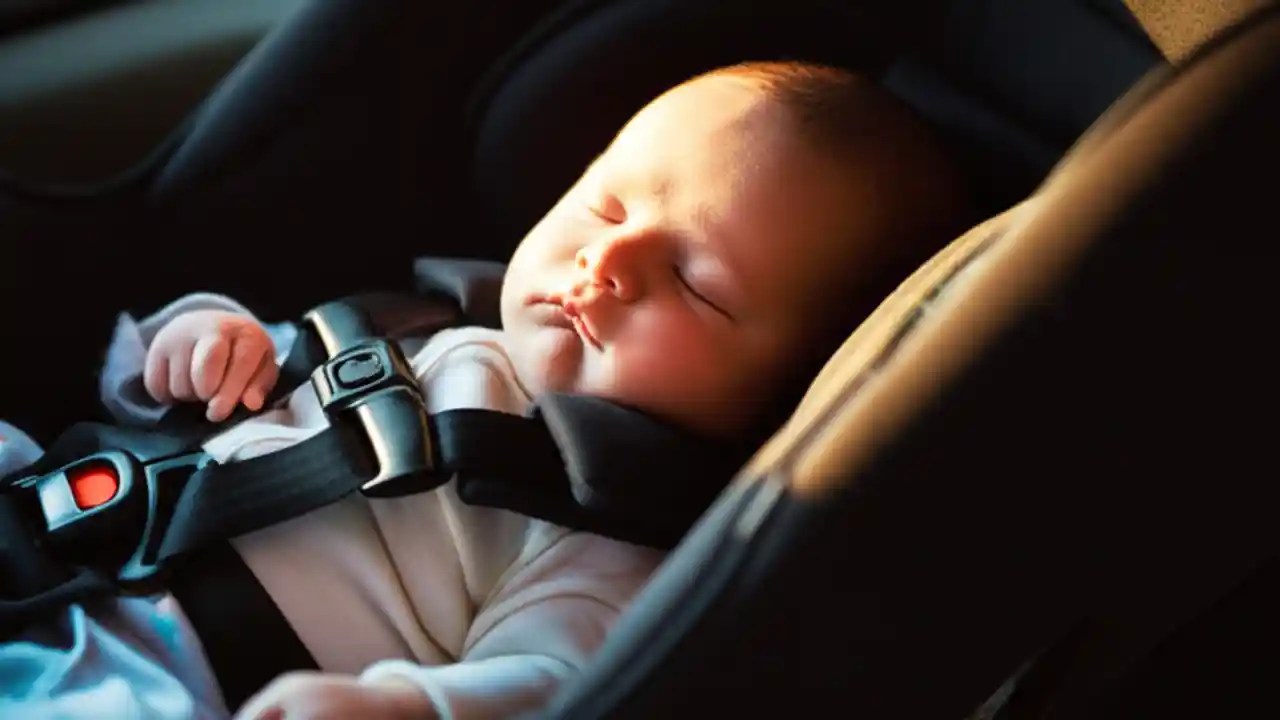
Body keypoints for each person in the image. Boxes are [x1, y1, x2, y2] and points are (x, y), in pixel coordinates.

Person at [0, 60, 967, 720]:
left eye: (698, 284)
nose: (610, 260)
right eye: (608, 204)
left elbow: (550, 680)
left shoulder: (598, 534)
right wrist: (200, 340)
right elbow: (158, 399)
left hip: (160, 679)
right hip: (54, 536)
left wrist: (407, 704)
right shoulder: (418, 327)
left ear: (784, 399)